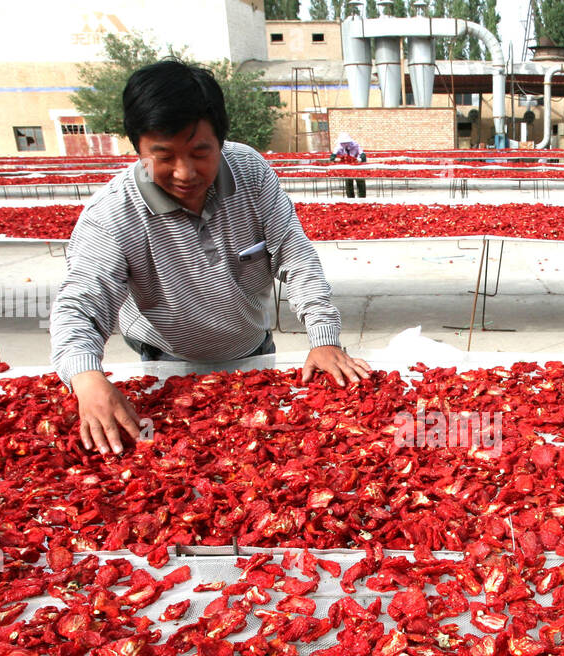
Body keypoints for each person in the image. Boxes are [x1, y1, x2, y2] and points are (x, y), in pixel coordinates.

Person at [51, 59, 370, 456]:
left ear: (220, 140)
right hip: (166, 360)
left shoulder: (249, 172)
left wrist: (324, 338)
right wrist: (86, 378)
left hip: (252, 350)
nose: (184, 173)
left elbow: (294, 251)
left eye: (201, 152)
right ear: (137, 148)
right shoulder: (113, 214)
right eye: (163, 156)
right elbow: (81, 302)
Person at [330, 133, 367, 199]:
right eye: (343, 143)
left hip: (357, 166)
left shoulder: (355, 145)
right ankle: (350, 199)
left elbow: (363, 155)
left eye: (346, 142)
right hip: (347, 166)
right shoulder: (339, 146)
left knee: (360, 181)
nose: (344, 144)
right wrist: (336, 159)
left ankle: (362, 198)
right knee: (348, 182)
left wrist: (359, 159)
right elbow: (332, 156)